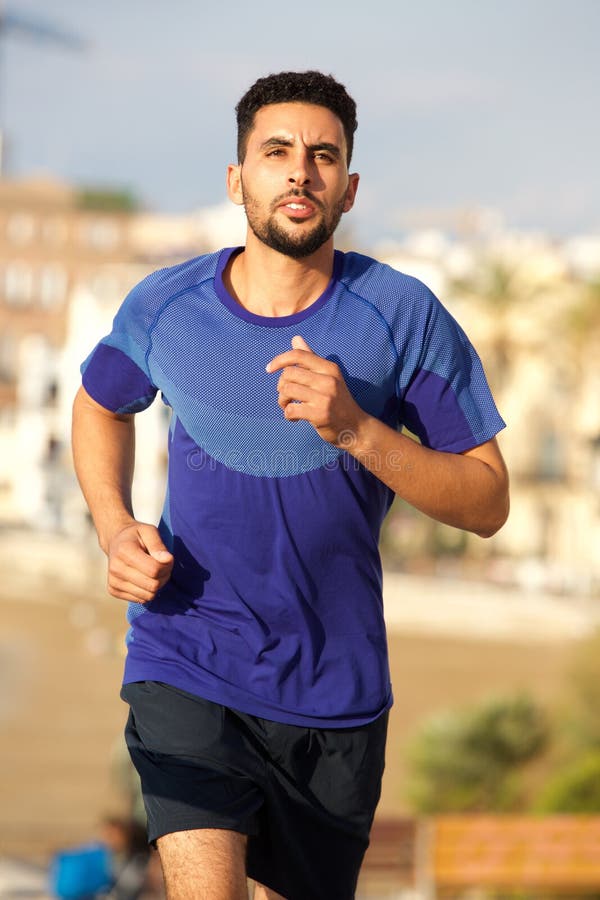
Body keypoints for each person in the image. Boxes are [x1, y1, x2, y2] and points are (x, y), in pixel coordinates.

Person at [72, 70, 509, 900]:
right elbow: (98, 405)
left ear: (348, 187)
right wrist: (112, 524)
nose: (299, 171)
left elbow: (488, 500)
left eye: (321, 155)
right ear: (239, 180)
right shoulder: (168, 306)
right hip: (186, 656)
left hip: (334, 694)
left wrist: (356, 430)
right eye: (276, 153)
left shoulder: (402, 316)